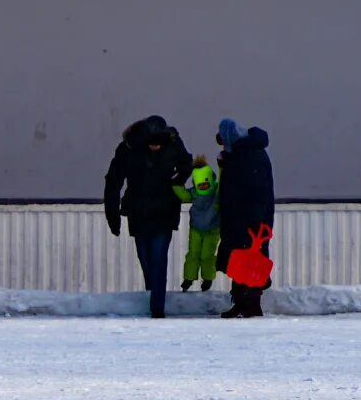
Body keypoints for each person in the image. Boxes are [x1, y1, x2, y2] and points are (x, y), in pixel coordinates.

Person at [103, 116, 193, 319]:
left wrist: (177, 180)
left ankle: (157, 307)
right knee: (147, 259)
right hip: (139, 212)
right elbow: (113, 181)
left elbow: (187, 164)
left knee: (158, 258)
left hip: (163, 211)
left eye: (158, 145)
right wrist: (112, 214)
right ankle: (154, 298)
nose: (155, 148)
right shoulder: (129, 147)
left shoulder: (172, 142)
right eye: (152, 145)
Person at [215, 119, 275, 319]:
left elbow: (256, 192)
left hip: (249, 221)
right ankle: (242, 303)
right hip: (240, 219)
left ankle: (250, 304)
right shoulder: (243, 154)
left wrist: (256, 223)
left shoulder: (250, 156)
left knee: (248, 262)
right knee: (239, 261)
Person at [174, 158, 222, 292]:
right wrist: (175, 182)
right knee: (193, 253)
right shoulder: (194, 193)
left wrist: (222, 168)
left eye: (205, 184)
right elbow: (183, 195)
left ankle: (207, 279)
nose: (203, 187)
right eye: (200, 185)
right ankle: (188, 278)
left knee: (207, 255)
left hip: (213, 229)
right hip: (196, 228)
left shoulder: (216, 194)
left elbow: (223, 184)